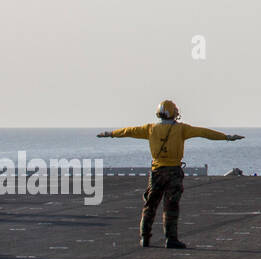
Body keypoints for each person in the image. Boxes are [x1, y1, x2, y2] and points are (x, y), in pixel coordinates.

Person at [97, 100, 244, 249]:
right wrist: (227, 137)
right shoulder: (181, 129)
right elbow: (204, 132)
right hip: (173, 171)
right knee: (171, 206)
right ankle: (171, 239)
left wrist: (109, 134)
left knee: (150, 205)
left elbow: (128, 131)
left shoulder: (150, 129)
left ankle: (145, 237)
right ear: (173, 112)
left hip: (157, 172)